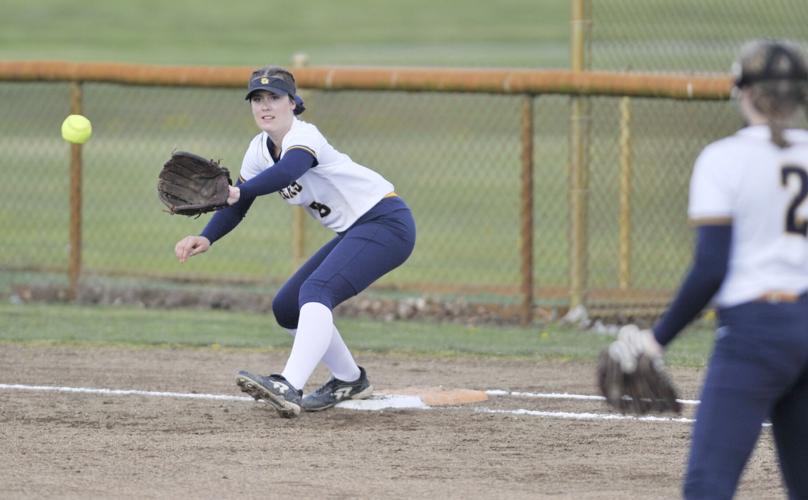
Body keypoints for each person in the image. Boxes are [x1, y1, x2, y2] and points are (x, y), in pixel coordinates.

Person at [611, 40, 808, 498]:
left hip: (755, 337)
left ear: (742, 91)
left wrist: (655, 340)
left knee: (708, 485)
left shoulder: (723, 158)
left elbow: (711, 268)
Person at [173, 66, 416, 418]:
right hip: (357, 230)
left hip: (386, 222)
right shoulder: (258, 149)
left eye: (274, 97)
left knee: (316, 291)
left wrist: (237, 190)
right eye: (257, 99)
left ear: (293, 103)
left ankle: (289, 384)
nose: (265, 106)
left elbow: (287, 171)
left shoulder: (305, 136)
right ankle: (349, 380)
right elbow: (238, 203)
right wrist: (206, 236)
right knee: (288, 307)